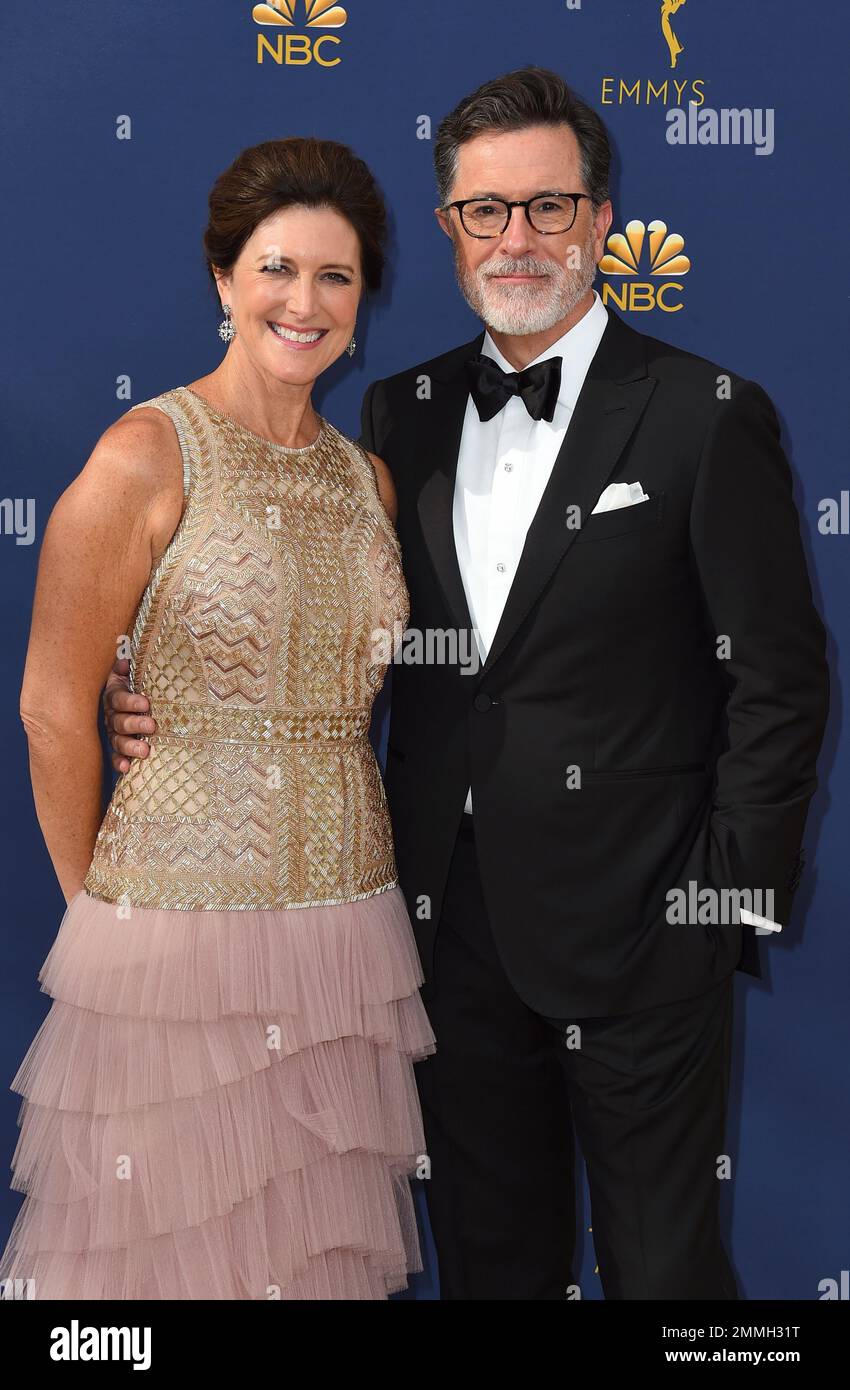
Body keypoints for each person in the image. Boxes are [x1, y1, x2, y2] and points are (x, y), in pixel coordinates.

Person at [103, 69, 830, 1300]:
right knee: (492, 1269)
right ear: (449, 229)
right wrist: (160, 704)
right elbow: (321, 622)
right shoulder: (403, 413)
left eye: (548, 206)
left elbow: (781, 678)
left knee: (667, 1276)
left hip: (649, 933)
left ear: (601, 220)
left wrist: (721, 906)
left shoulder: (705, 415)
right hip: (440, 936)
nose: (516, 239)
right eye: (485, 211)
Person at [0, 136, 435, 1300]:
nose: (305, 302)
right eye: (276, 268)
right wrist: (97, 924)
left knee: (311, 1251)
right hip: (176, 931)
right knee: (164, 1255)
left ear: (364, 298)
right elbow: (53, 708)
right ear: (224, 280)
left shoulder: (366, 481)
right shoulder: (147, 453)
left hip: (345, 923)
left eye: (336, 276)